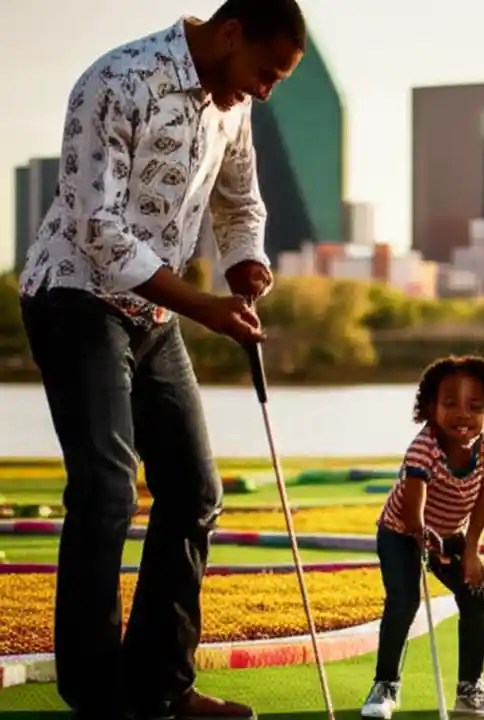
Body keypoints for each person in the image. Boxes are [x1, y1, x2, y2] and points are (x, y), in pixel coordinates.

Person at [16, 1, 307, 717]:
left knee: (194, 493)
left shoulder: (231, 106)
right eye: (265, 73)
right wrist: (202, 306)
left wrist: (246, 264)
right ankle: (96, 695)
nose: (266, 90)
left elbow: (241, 204)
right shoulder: (117, 79)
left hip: (152, 309)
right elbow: (97, 229)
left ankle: (161, 688)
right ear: (231, 33)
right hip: (75, 297)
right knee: (107, 494)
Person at [359, 356, 484, 720]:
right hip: (402, 532)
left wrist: (472, 551)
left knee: (475, 596)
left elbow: (483, 501)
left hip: (451, 533)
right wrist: (425, 542)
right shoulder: (423, 447)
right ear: (430, 407)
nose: (463, 415)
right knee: (404, 600)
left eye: (475, 407)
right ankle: (385, 686)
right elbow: (414, 508)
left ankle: (470, 689)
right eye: (450, 404)